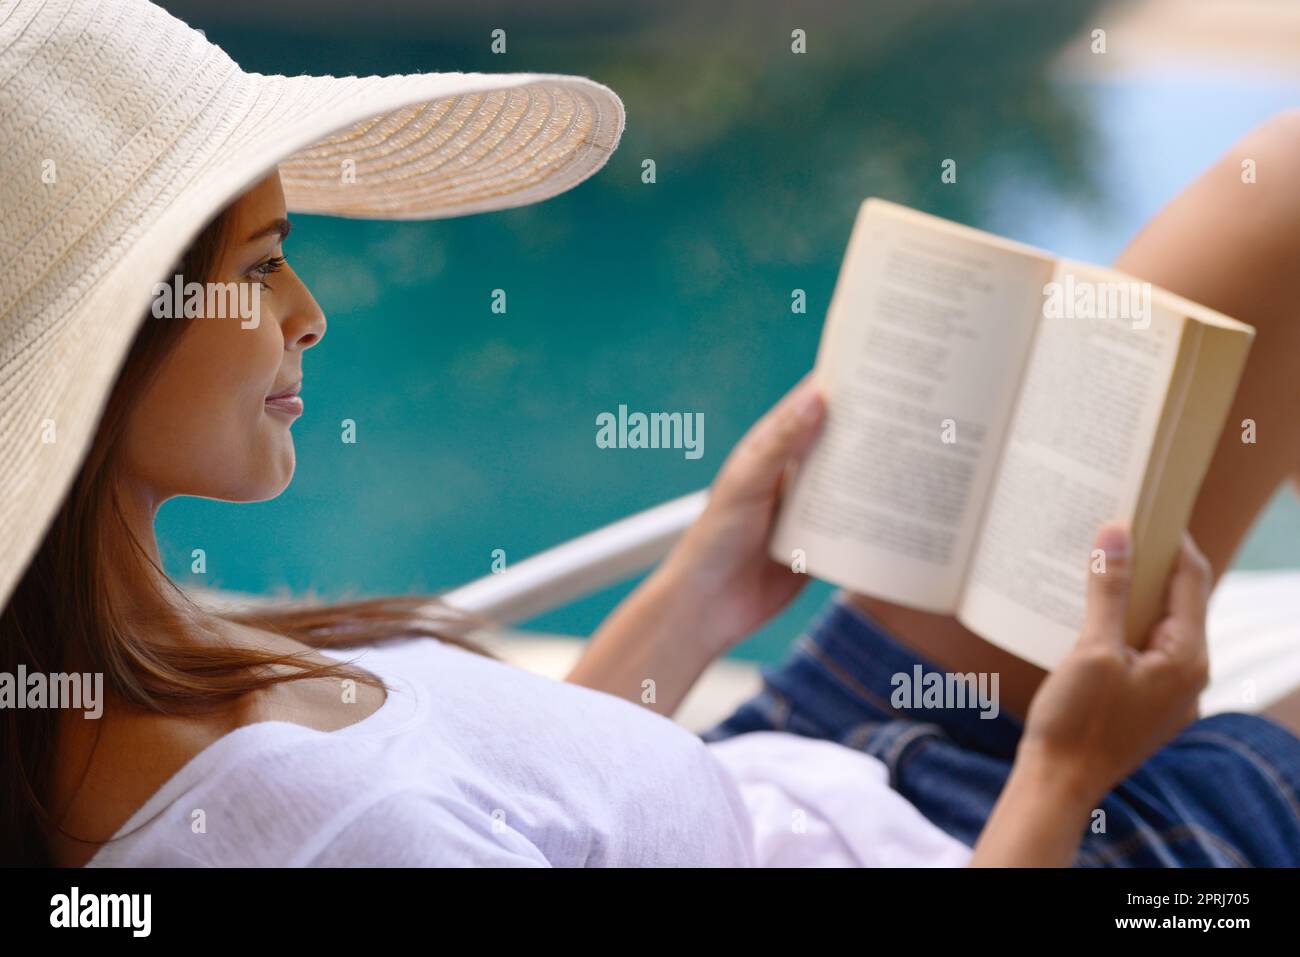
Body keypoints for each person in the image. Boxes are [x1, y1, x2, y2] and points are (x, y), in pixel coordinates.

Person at [2, 0, 1297, 867]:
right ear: (108, 353)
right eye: (266, 261)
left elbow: (525, 808)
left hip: (773, 773)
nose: (312, 314)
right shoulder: (331, 838)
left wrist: (698, 595)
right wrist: (1069, 775)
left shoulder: (114, 654)